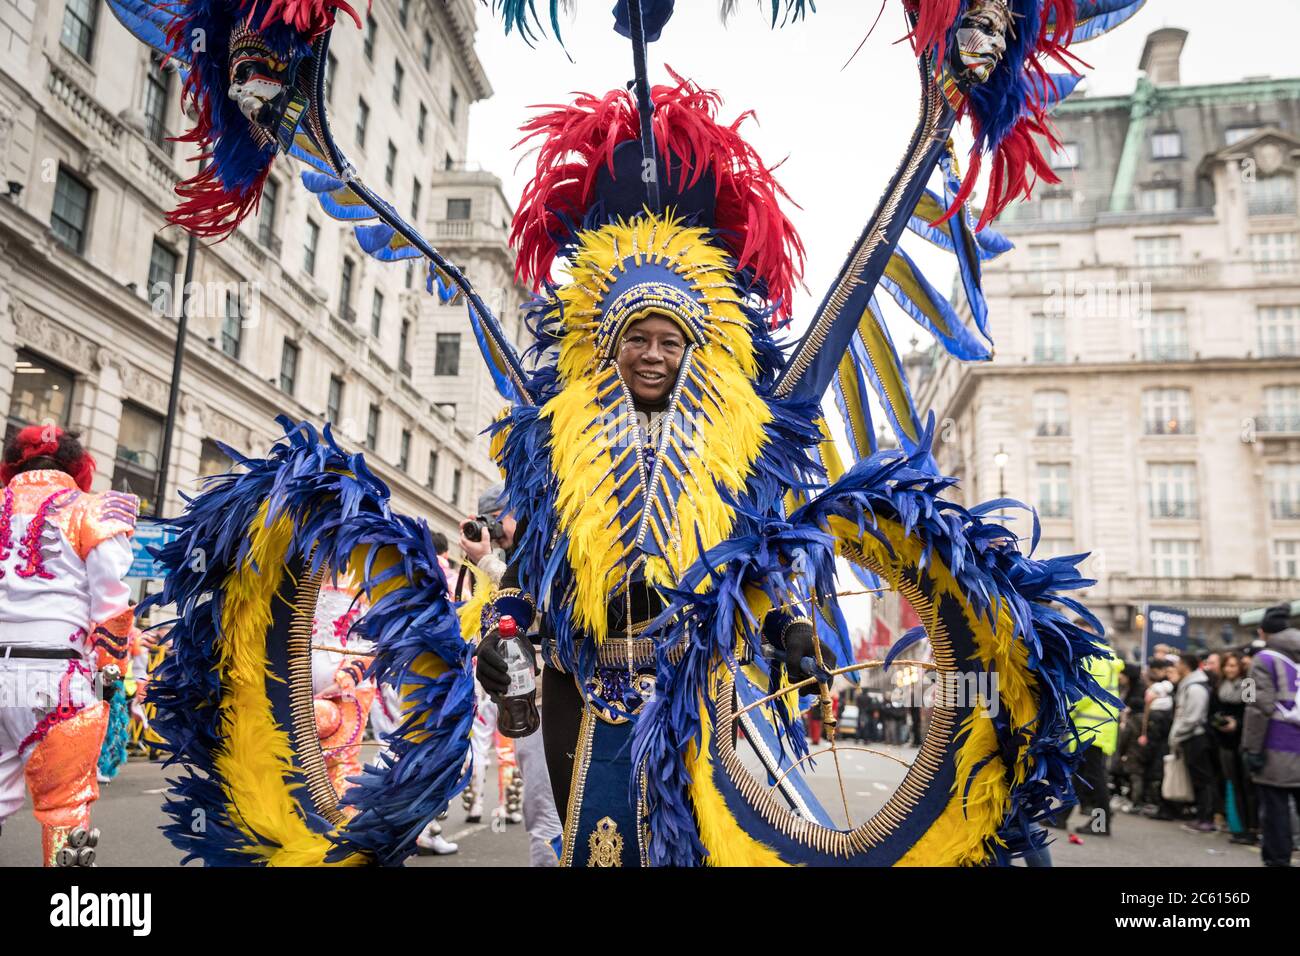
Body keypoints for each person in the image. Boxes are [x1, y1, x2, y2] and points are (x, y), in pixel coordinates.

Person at [0, 426, 137, 865]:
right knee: (64, 813)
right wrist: (110, 677)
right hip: (57, 681)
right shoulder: (92, 510)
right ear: (77, 468)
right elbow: (112, 605)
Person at [460, 484, 563, 867]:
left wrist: (488, 560)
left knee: (553, 823)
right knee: (547, 821)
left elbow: (533, 603)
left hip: (553, 698)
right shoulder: (513, 552)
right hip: (526, 702)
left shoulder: (542, 542)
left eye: (499, 517)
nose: (499, 527)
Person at [1242, 603, 1300, 867]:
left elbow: (1254, 706)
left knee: (1275, 811)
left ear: (1262, 631)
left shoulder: (1261, 660)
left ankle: (1278, 862)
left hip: (1276, 747)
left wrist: (1250, 748)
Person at [1210, 651, 1257, 845]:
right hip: (1224, 742)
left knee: (1248, 786)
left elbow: (1251, 710)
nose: (1230, 669)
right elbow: (1211, 711)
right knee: (1234, 785)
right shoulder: (1219, 686)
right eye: (1227, 665)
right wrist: (1218, 722)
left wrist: (1235, 723)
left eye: (1233, 665)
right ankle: (1240, 828)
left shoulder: (1248, 685)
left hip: (1242, 741)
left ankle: (1253, 828)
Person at [1169, 652, 1216, 832]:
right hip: (1189, 737)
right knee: (1197, 779)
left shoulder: (1195, 687)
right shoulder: (1188, 685)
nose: (1175, 667)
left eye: (1178, 663)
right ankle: (1201, 816)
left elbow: (1193, 717)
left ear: (1186, 665)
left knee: (1203, 779)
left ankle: (1206, 818)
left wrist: (1178, 734)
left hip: (1196, 738)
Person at [1138, 658, 1176, 818]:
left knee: (1159, 771)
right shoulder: (1161, 689)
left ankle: (1165, 807)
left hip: (1163, 737)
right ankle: (1157, 804)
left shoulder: (1164, 689)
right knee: (1155, 770)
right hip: (1157, 735)